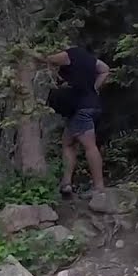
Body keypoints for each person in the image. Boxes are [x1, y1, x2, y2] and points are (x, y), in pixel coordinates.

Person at [37, 45, 110, 195]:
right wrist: (94, 88)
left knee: (89, 146)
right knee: (68, 143)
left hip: (81, 108)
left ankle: (99, 187)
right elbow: (105, 69)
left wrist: (28, 55)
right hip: (92, 106)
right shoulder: (90, 59)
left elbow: (46, 59)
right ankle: (66, 183)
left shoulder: (69, 55)